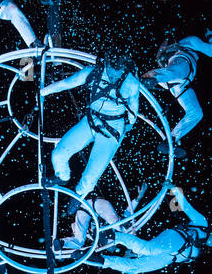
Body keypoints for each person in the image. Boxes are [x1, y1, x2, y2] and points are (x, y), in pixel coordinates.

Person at [43, 48, 142, 199]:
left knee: (90, 177)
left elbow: (133, 110)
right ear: (107, 63)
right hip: (90, 121)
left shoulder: (131, 83)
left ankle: (78, 195)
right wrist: (43, 92)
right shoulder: (92, 72)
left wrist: (128, 126)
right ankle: (62, 177)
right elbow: (66, 83)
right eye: (112, 66)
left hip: (113, 128)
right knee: (58, 154)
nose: (114, 72)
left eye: (119, 67)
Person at [101, 185, 212, 273]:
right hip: (176, 238)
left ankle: (102, 260)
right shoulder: (203, 224)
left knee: (135, 268)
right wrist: (173, 188)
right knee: (147, 249)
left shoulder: (197, 254)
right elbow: (186, 206)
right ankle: (114, 236)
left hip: (170, 255)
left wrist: (137, 255)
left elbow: (126, 217)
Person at [142, 27, 212, 143]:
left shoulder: (173, 43)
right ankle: (148, 78)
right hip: (177, 69)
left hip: (177, 85)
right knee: (175, 71)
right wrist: (211, 36)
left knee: (196, 112)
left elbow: (161, 58)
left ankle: (172, 138)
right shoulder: (191, 41)